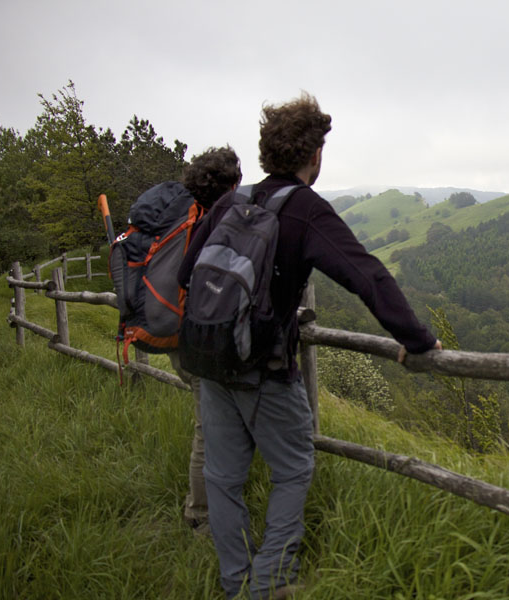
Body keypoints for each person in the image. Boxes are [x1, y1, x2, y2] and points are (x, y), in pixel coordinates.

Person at [177, 92, 441, 600]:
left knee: (223, 477)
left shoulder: (234, 201)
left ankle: (236, 584)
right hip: (264, 371)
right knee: (294, 469)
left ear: (265, 151)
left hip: (211, 362)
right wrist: (418, 339)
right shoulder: (306, 211)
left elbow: (190, 271)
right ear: (314, 155)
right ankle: (270, 583)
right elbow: (366, 275)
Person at [168, 146, 242, 535]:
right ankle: (200, 517)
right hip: (200, 341)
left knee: (213, 427)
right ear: (234, 182)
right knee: (208, 431)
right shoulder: (220, 221)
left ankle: (220, 508)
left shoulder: (186, 217)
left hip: (177, 338)